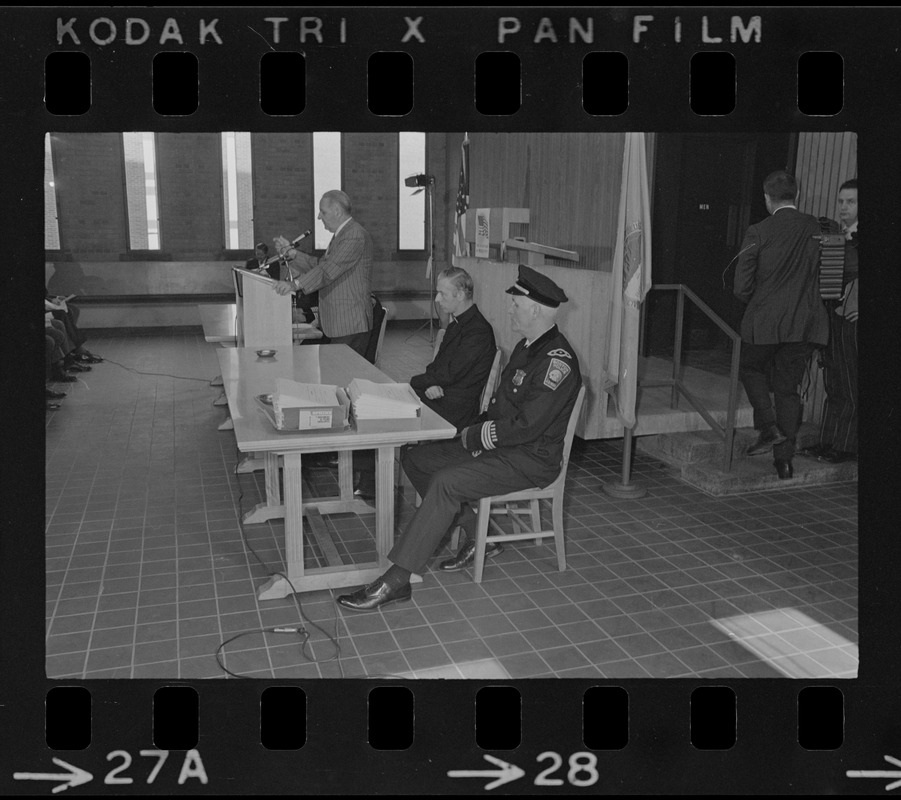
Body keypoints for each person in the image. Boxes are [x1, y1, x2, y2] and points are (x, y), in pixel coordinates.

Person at [336, 265, 582, 612]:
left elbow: (526, 427)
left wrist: (474, 436)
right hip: (504, 448)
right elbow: (499, 408)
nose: (510, 309)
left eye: (515, 304)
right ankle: (473, 532)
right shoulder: (528, 346)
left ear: (536, 310)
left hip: (530, 459)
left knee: (447, 483)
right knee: (417, 459)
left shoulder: (558, 360)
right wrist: (474, 434)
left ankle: (396, 580)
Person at [733, 170, 829, 480]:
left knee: (749, 368)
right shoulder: (814, 227)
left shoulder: (758, 231)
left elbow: (741, 286)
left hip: (765, 321)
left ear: (766, 198)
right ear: (796, 196)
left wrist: (760, 302)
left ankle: (768, 426)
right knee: (789, 391)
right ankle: (784, 463)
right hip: (801, 323)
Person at [799, 179, 858, 464]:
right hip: (832, 314)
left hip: (851, 319)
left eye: (852, 202)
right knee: (833, 379)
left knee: (849, 381)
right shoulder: (841, 235)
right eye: (841, 201)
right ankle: (828, 440)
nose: (844, 207)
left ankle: (846, 446)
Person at [272, 190, 373, 357]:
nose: (319, 216)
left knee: (341, 377)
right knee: (336, 377)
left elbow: (328, 270)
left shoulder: (353, 235)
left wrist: (295, 284)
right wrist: (293, 254)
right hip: (340, 322)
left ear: (337, 211)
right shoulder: (342, 235)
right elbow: (320, 265)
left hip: (350, 323)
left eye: (323, 211)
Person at [409, 267, 497, 431]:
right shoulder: (457, 324)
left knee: (401, 405)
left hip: (456, 408)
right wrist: (430, 384)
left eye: (443, 294)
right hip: (442, 395)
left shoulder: (478, 331)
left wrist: (417, 382)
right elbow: (437, 365)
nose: (437, 299)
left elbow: (452, 373)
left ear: (461, 295)